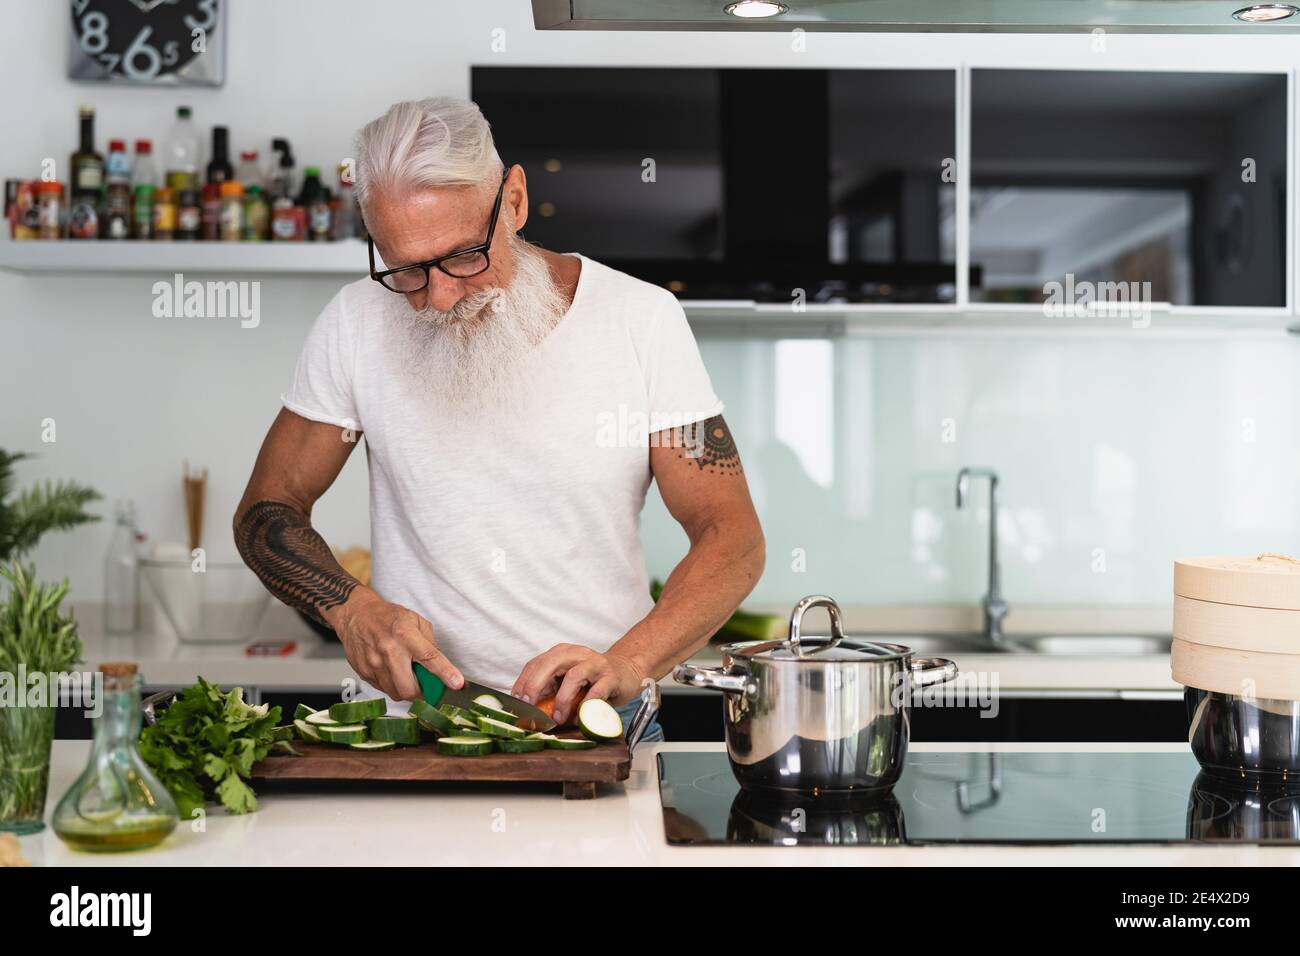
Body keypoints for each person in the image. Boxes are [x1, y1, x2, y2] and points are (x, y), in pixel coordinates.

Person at [233, 97, 765, 740]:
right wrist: (351, 610)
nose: (438, 296)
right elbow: (269, 509)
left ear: (514, 200)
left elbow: (730, 537)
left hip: (600, 725)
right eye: (404, 269)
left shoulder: (641, 320)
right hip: (427, 727)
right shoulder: (354, 323)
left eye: (463, 255)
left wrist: (628, 663)